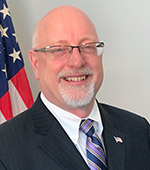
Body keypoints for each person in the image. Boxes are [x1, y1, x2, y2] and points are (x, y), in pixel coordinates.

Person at [0, 5, 149, 170]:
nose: (77, 62)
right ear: (35, 63)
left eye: (87, 47)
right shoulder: (5, 148)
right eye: (59, 49)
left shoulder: (139, 130)